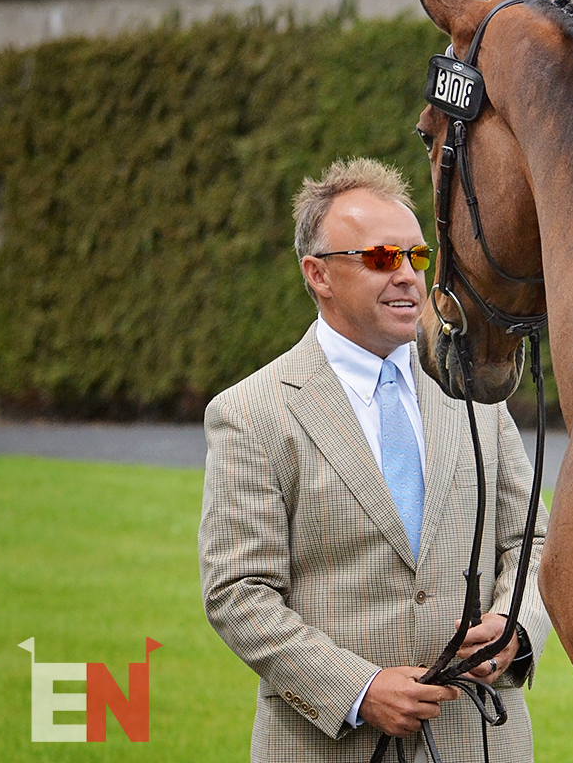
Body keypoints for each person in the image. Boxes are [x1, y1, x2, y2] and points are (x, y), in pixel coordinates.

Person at [199, 158, 550, 763]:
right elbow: (238, 591)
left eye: (417, 256)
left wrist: (516, 630)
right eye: (383, 258)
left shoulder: (470, 386)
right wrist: (359, 691)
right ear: (318, 275)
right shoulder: (250, 412)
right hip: (327, 748)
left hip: (480, 743)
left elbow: (534, 541)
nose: (409, 277)